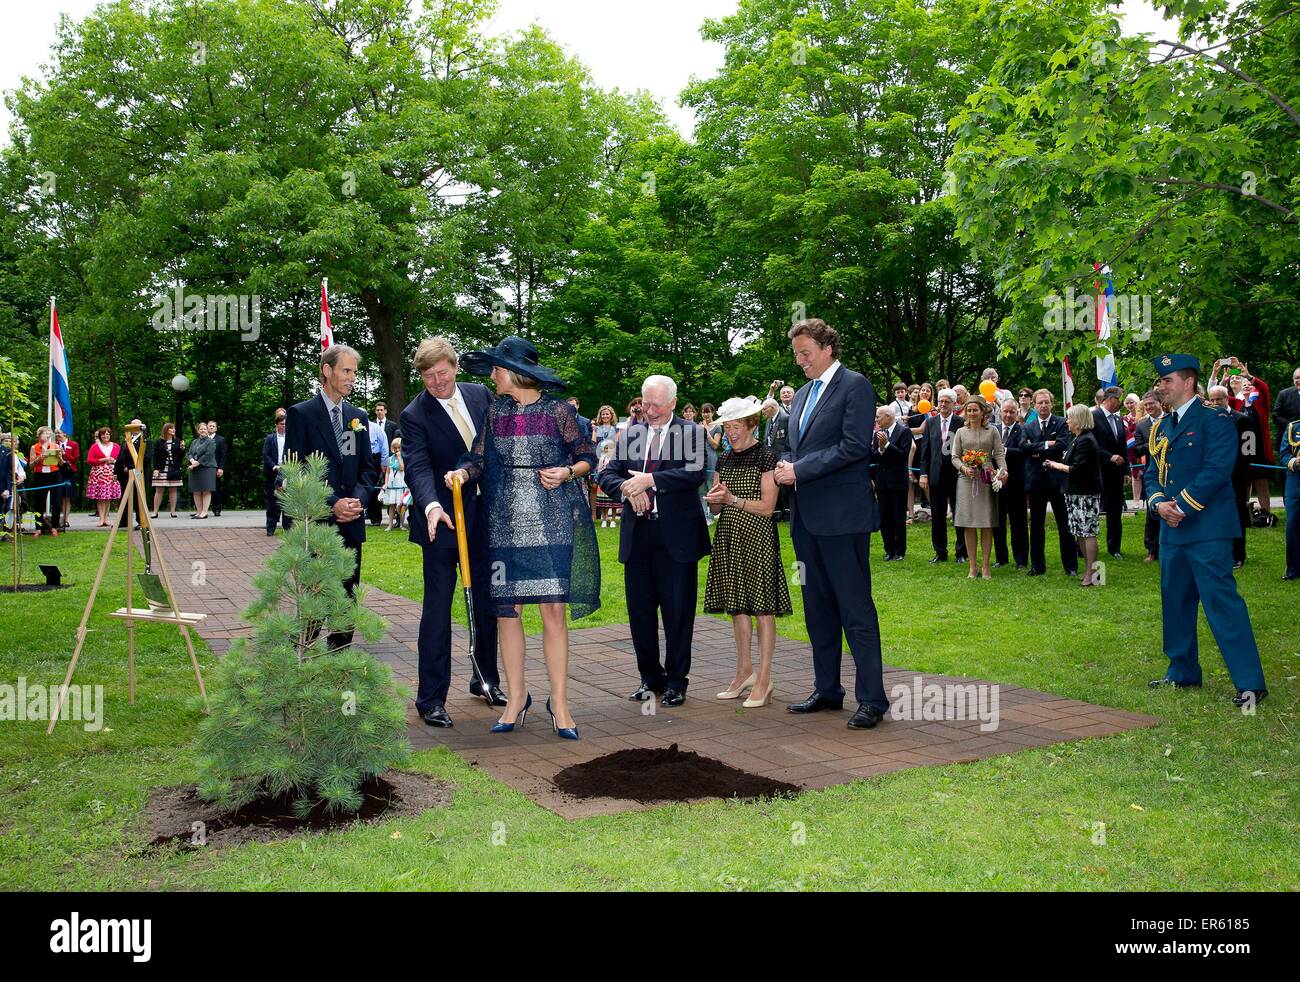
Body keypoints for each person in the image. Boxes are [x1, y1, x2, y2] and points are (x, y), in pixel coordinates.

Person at [448, 335, 599, 739]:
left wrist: (568, 472)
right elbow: (478, 459)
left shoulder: (559, 412)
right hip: (504, 522)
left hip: (552, 520)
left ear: (513, 373)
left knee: (553, 610)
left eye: (496, 369)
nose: (492, 376)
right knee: (506, 612)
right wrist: (462, 473)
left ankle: (561, 704)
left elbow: (588, 456)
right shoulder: (496, 413)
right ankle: (516, 698)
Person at [773, 318, 888, 729]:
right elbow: (793, 444)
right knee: (816, 606)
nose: (800, 361)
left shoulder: (855, 386)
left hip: (842, 518)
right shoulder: (802, 394)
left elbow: (854, 447)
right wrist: (786, 462)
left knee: (855, 608)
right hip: (806, 520)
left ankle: (872, 699)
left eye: (805, 353)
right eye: (796, 355)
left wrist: (799, 470)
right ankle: (827, 689)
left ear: (827, 348)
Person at [1145, 354, 1266, 708]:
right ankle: (1182, 671)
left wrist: (1179, 505)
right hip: (1172, 531)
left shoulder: (1215, 421)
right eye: (1160, 381)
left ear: (1187, 382)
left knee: (1222, 604)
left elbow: (1217, 470)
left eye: (1166, 381)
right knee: (1176, 604)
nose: (1161, 387)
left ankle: (1250, 683)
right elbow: (1153, 474)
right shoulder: (1160, 427)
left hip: (1208, 529)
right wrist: (1157, 504)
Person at [400, 337, 504, 727]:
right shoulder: (414, 415)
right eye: (429, 377)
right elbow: (418, 466)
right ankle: (430, 698)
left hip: (485, 519)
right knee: (438, 608)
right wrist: (431, 505)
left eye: (442, 373)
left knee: (487, 601)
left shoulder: (481, 396)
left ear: (455, 367)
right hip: (441, 522)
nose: (438, 382)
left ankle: (485, 678)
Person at [599, 373, 709, 706]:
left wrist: (651, 480)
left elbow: (695, 473)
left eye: (657, 405)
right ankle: (650, 678)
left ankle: (676, 681)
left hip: (675, 536)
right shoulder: (631, 433)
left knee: (678, 613)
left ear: (673, 403)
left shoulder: (690, 432)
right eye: (646, 403)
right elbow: (606, 474)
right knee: (641, 613)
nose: (651, 410)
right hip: (639, 535)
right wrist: (627, 491)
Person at [284, 343, 379, 651]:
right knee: (313, 598)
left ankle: (339, 662)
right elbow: (294, 471)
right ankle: (302, 660)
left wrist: (357, 501)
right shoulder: (302, 414)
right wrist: (331, 504)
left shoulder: (358, 417)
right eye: (346, 370)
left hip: (351, 523)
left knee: (346, 597)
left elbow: (368, 468)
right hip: (317, 525)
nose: (352, 377)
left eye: (354, 371)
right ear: (327, 371)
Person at [703, 396, 791, 708]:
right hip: (728, 534)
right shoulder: (724, 459)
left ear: (751, 424)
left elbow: (768, 508)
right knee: (737, 608)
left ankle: (765, 679)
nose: (730, 432)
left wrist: (732, 500)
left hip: (757, 537)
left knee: (763, 609)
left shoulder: (766, 457)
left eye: (736, 426)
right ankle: (744, 673)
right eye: (726, 427)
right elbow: (715, 504)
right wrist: (715, 499)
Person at [1046, 404, 1103, 586]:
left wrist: (1055, 465)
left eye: (1070, 418)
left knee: (1088, 532)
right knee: (1080, 532)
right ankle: (1089, 570)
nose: (1068, 421)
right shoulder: (1077, 439)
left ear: (1078, 421)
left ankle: (1095, 574)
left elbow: (1076, 469)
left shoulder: (1086, 440)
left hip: (1085, 494)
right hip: (1075, 493)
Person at [951, 395, 1006, 579]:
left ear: (983, 412)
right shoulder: (960, 432)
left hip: (986, 478)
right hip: (966, 480)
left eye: (975, 410)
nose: (972, 413)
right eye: (969, 410)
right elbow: (954, 456)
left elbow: (998, 453)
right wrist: (965, 468)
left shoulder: (992, 431)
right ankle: (972, 567)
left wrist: (1003, 471)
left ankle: (986, 567)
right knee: (968, 523)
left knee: (986, 522)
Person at [1024, 389, 1078, 576]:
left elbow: (1063, 445)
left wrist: (1037, 448)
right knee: (1037, 527)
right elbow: (1025, 448)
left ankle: (1070, 566)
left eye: (1046, 402)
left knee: (1065, 525)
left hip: (1058, 481)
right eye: (1040, 403)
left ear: (1052, 403)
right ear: (1034, 405)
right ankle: (1037, 566)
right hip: (1036, 482)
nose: (1043, 406)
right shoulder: (1028, 426)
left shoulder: (1062, 423)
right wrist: (1049, 444)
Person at [1207, 385, 1258, 569]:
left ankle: (1238, 555)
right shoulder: (1206, 421)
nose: (1214, 403)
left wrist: (1235, 471)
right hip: (1213, 479)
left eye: (1218, 399)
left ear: (1226, 398)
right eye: (1211, 400)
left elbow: (1250, 450)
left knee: (1236, 515)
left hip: (1235, 479)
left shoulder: (1242, 420)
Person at [917, 389, 967, 563]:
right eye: (940, 401)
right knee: (937, 515)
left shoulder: (961, 422)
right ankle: (940, 552)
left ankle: (961, 552)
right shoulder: (930, 423)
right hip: (935, 475)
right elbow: (925, 451)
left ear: (953, 404)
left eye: (947, 401)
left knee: (959, 514)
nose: (943, 404)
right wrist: (923, 474)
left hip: (956, 475)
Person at [870, 404, 912, 561]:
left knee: (898, 516)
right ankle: (889, 549)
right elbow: (874, 456)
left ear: (888, 416)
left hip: (898, 481)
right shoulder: (878, 434)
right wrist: (881, 448)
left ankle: (900, 550)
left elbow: (902, 455)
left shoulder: (904, 431)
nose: (876, 420)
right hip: (882, 481)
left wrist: (887, 445)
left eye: (878, 417)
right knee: (884, 516)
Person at [1091, 386, 1128, 558]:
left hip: (1115, 474)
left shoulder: (1119, 420)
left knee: (1115, 511)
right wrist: (1109, 457)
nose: (1122, 403)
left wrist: (1126, 470)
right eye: (1121, 399)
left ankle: (1114, 548)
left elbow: (1123, 447)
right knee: (1092, 511)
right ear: (1111, 399)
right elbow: (1090, 444)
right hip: (1097, 472)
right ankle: (1084, 546)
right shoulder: (1094, 417)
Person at [993, 399, 1028, 569]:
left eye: (1011, 412)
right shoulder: (993, 430)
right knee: (998, 522)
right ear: (1000, 412)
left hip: (1016, 484)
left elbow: (1023, 450)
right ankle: (1001, 558)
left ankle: (1021, 559)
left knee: (1018, 523)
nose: (1008, 415)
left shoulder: (1022, 430)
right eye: (1005, 411)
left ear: (1017, 413)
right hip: (996, 484)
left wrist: (1002, 450)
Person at [1134, 390, 1165, 562]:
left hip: (1171, 471)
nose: (1148, 407)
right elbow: (1137, 449)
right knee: (1152, 512)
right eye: (1145, 405)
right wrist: (1155, 443)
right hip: (1152, 473)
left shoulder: (1170, 420)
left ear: (1160, 403)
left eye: (1151, 403)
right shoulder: (1141, 425)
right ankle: (1152, 550)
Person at [27, 426, 65, 537]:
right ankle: (38, 528)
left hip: (54, 475)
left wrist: (59, 457)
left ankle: (55, 527)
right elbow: (30, 465)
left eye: (48, 433)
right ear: (39, 435)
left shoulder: (55, 446)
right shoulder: (34, 447)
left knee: (56, 502)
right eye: (44, 433)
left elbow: (61, 464)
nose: (47, 435)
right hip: (40, 476)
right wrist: (39, 458)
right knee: (39, 502)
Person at [261, 411, 290, 536]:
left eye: (285, 424)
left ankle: (288, 528)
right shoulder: (270, 438)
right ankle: (270, 528)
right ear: (277, 425)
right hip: (273, 472)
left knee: (287, 501)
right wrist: (274, 466)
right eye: (282, 424)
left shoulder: (291, 437)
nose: (284, 426)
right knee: (272, 501)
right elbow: (265, 455)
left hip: (288, 472)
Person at [760, 397, 790, 519]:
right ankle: (776, 511)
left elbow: (790, 439)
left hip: (782, 457)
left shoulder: (785, 418)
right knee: (773, 484)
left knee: (784, 485)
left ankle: (787, 511)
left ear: (772, 408)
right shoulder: (769, 421)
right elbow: (767, 440)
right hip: (770, 457)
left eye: (764, 409)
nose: (763, 412)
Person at [86, 427, 121, 526]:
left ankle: (106, 518)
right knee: (100, 497)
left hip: (111, 473)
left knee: (108, 497)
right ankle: (101, 518)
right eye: (103, 434)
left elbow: (120, 460)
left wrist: (114, 461)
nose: (105, 436)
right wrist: (104, 459)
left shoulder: (116, 446)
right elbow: (89, 460)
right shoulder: (95, 446)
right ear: (100, 436)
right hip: (99, 474)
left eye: (107, 434)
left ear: (110, 435)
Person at [150, 422, 185, 518]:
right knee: (159, 490)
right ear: (166, 430)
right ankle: (155, 511)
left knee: (173, 490)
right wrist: (155, 468)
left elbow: (180, 457)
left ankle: (173, 511)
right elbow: (155, 456)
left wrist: (182, 449)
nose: (173, 430)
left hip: (173, 469)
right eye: (171, 428)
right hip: (161, 469)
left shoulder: (177, 441)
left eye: (174, 428)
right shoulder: (159, 442)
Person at [366, 404, 393, 526]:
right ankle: (370, 516)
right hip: (363, 459)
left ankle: (381, 518)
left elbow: (384, 446)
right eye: (377, 409)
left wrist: (384, 462)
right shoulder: (355, 427)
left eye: (381, 409)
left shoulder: (377, 428)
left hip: (377, 459)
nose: (379, 412)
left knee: (378, 487)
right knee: (366, 487)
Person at [1281, 414, 1300, 581]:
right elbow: (1284, 454)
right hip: (1296, 483)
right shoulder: (1293, 427)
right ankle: (1293, 568)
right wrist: (1294, 462)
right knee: (1293, 524)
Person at [186, 422, 216, 519]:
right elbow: (189, 453)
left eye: (204, 429)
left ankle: (204, 512)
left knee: (206, 490)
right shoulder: (194, 441)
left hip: (207, 468)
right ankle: (199, 512)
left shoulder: (211, 441)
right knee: (196, 490)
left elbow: (208, 454)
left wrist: (196, 463)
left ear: (207, 430)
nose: (203, 430)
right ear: (198, 430)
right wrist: (192, 460)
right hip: (195, 468)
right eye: (201, 429)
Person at [381, 437, 410, 530]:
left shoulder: (404, 458)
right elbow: (388, 472)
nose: (397, 450)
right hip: (392, 483)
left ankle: (401, 524)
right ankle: (390, 524)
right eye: (395, 448)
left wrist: (399, 457)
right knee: (392, 504)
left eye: (399, 447)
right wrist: (386, 483)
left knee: (401, 504)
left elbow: (401, 468)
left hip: (401, 483)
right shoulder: (390, 459)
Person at [55, 429, 79, 530]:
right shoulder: (54, 444)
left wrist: (64, 453)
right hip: (57, 471)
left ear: (65, 433)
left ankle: (65, 519)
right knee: (58, 496)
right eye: (56, 433)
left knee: (67, 496)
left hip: (69, 472)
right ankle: (57, 519)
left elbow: (75, 458)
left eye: (59, 433)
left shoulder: (73, 444)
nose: (57, 435)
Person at [206, 420, 227, 517]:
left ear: (216, 428)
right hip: (204, 468)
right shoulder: (203, 439)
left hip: (215, 467)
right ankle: (202, 509)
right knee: (203, 489)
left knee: (216, 489)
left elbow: (223, 455)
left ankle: (217, 508)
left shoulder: (220, 440)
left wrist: (221, 468)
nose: (211, 427)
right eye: (209, 426)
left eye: (213, 426)